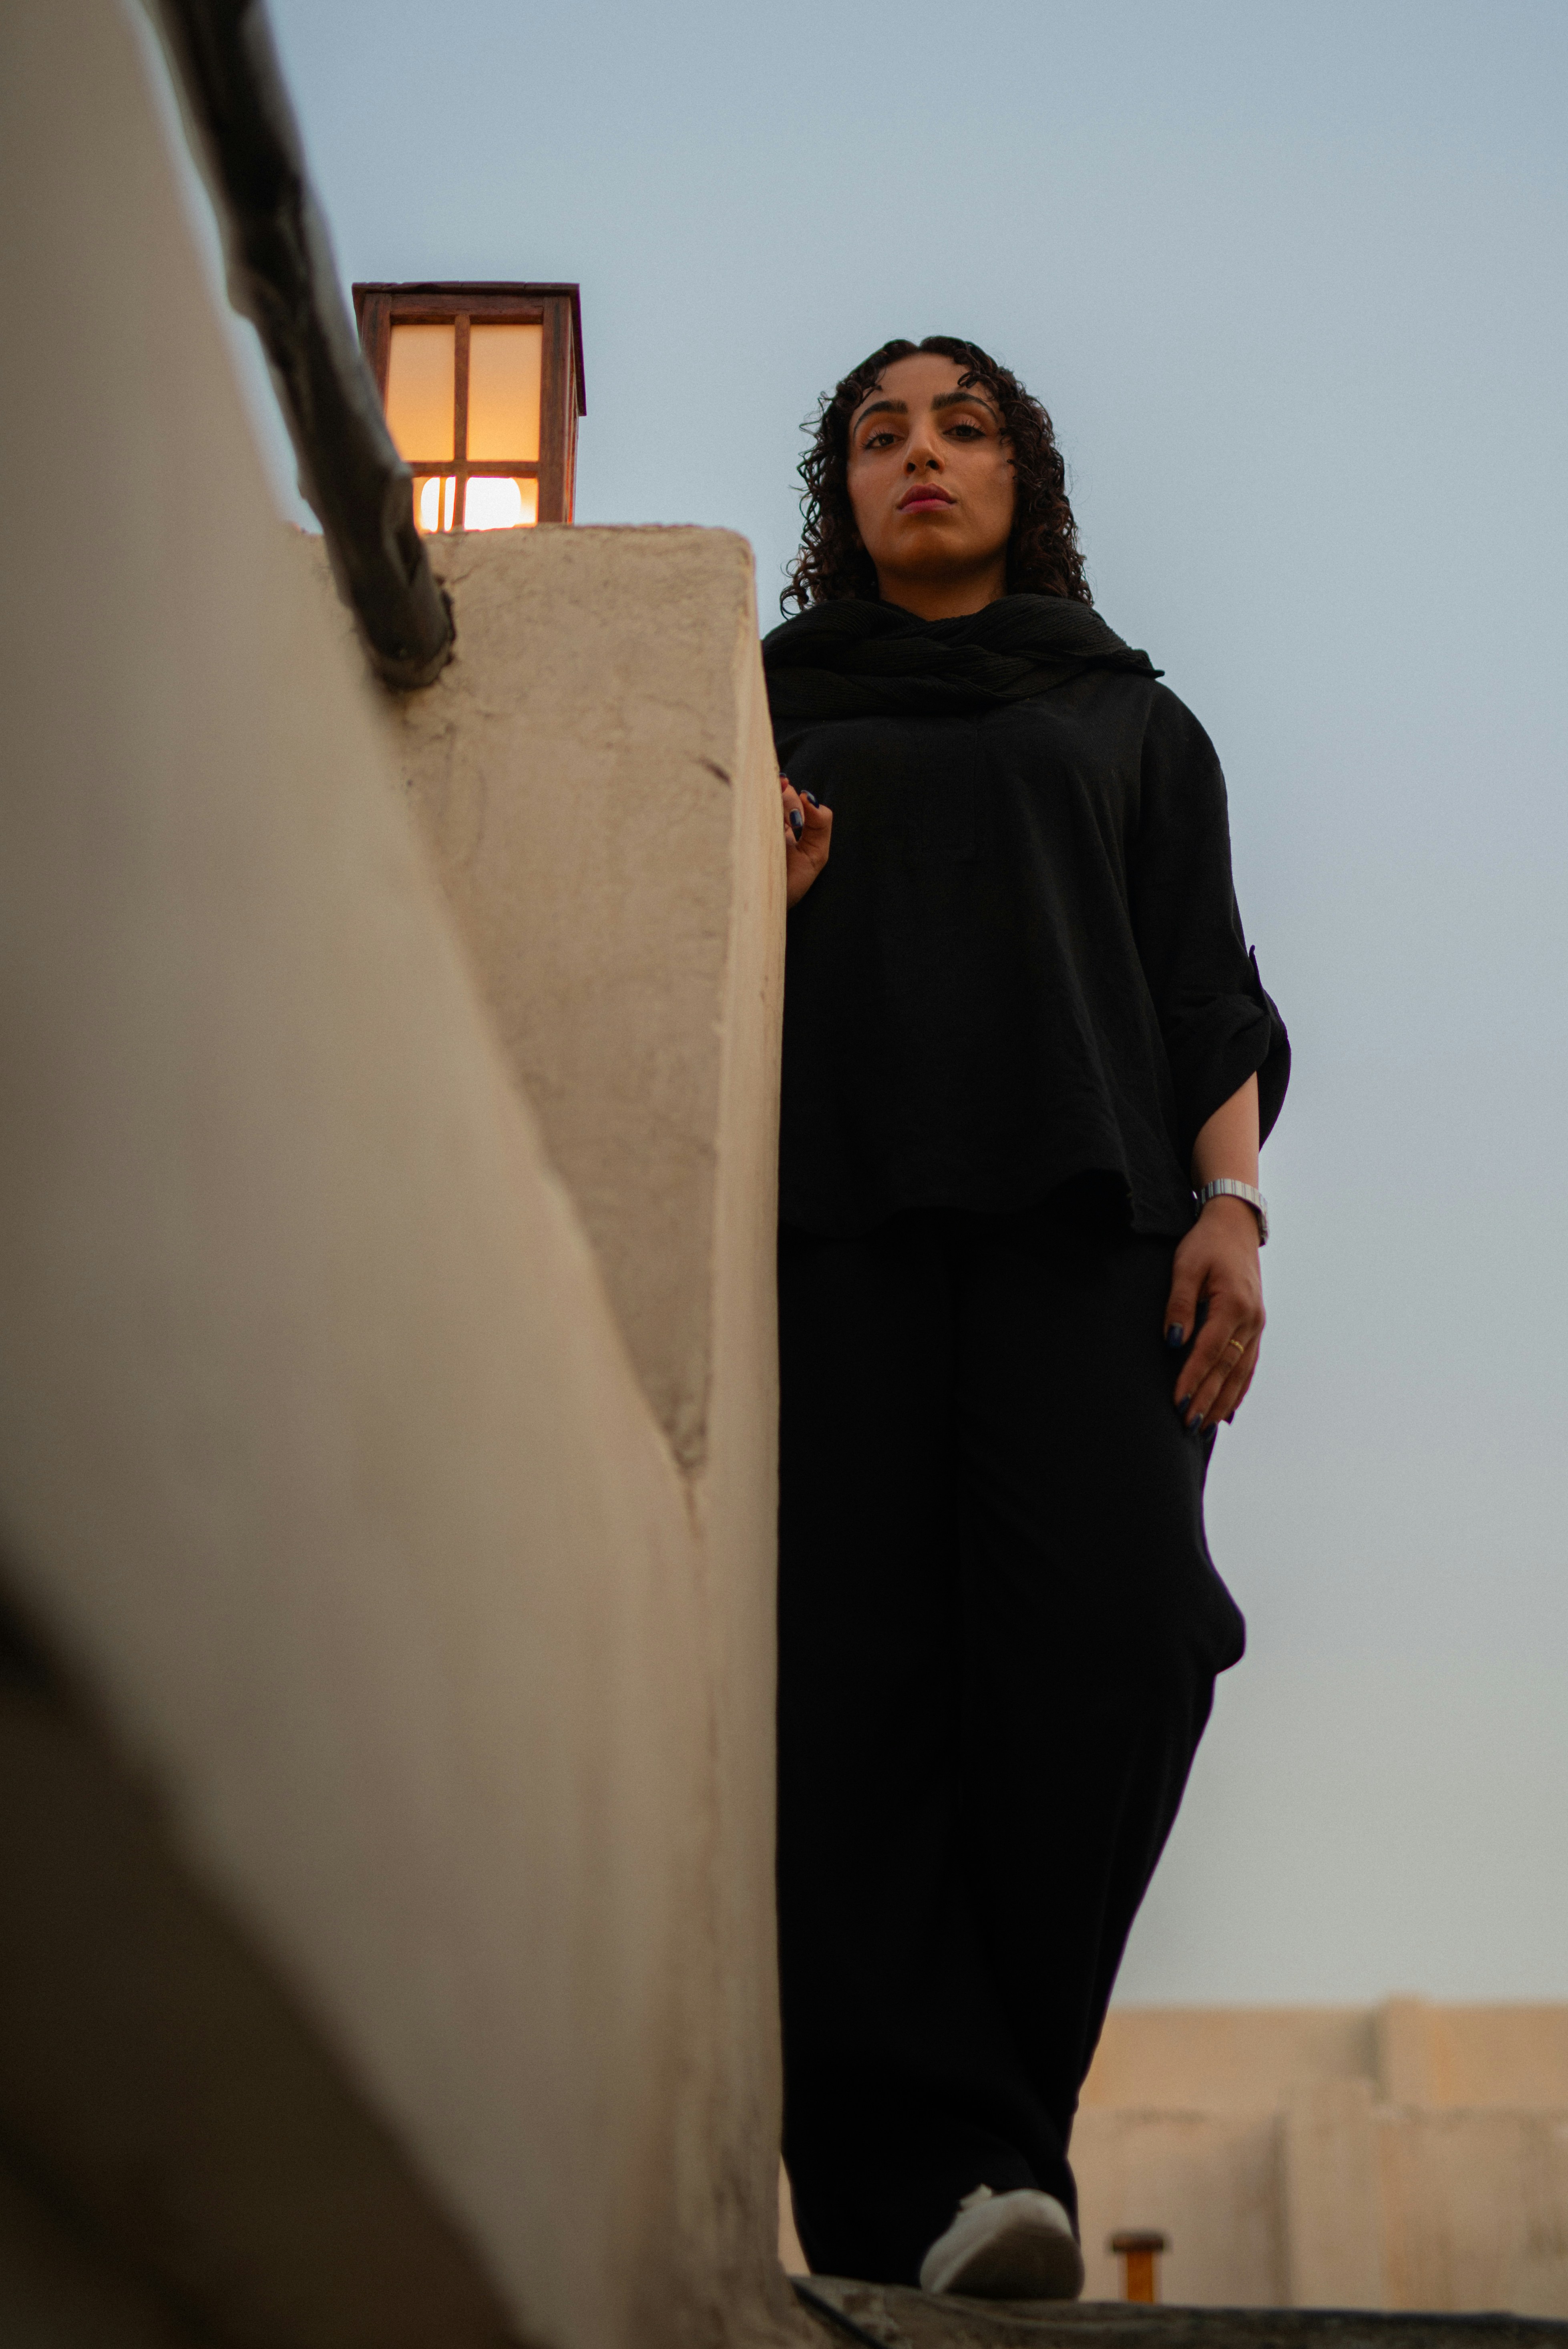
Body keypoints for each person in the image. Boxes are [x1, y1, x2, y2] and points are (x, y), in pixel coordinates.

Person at [766, 336, 1288, 2300]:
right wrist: (777, 886)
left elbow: (1202, 986)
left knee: (1130, 1636)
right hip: (835, 1235)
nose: (921, 456)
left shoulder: (1129, 717)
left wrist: (1232, 1203)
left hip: (1092, 1230)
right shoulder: (768, 705)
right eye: (881, 433)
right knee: (855, 1686)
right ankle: (947, 2179)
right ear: (844, 484)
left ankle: (994, 2119)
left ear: (1020, 475)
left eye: (960, 427)